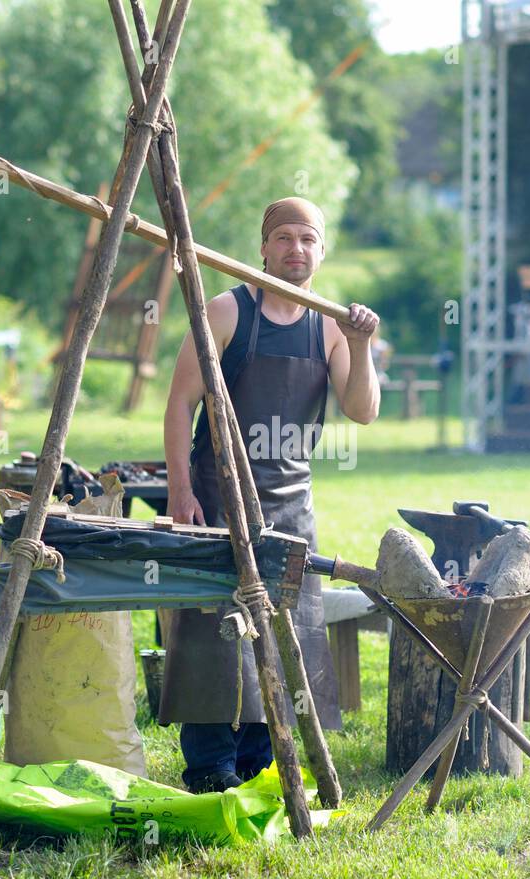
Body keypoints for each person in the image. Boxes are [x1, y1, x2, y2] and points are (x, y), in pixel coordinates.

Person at [160, 197, 381, 793]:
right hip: (216, 497)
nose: (295, 249)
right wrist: (181, 492)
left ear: (322, 250)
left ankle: (261, 764)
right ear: (263, 247)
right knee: (210, 633)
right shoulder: (226, 312)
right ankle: (210, 766)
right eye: (283, 238)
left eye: (307, 239)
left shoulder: (332, 326)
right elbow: (181, 405)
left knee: (285, 636)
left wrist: (360, 346)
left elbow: (362, 410)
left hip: (289, 508)